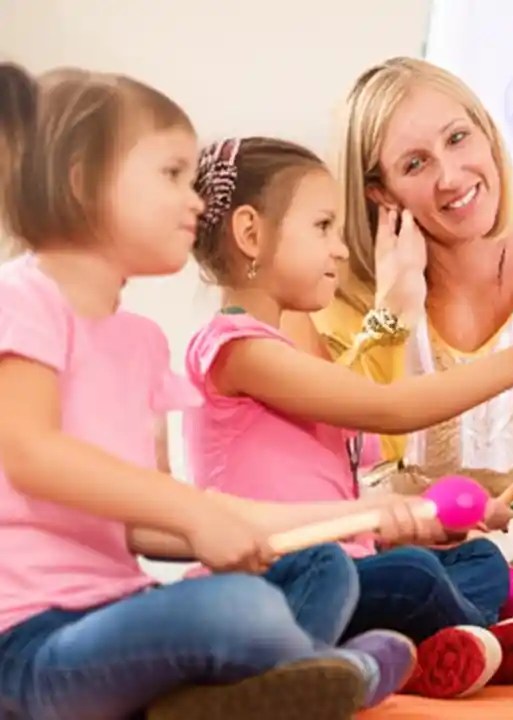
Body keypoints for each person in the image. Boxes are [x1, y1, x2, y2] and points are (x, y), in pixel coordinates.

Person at [0, 63, 422, 720]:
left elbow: (149, 525)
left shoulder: (140, 342)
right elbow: (30, 452)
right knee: (237, 607)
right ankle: (328, 672)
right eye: (170, 174)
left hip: (120, 611)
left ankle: (263, 687)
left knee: (322, 567)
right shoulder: (21, 297)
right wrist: (197, 516)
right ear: (83, 183)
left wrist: (367, 518)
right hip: (31, 645)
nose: (195, 200)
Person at [184, 136, 513, 697]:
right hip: (280, 581)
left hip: (349, 570)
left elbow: (367, 437)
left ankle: (452, 642)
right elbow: (390, 409)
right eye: (322, 227)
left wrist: (430, 516)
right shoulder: (236, 350)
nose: (340, 251)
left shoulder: (292, 354)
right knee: (416, 576)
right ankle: (467, 636)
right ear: (252, 233)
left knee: (477, 559)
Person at [289, 56, 513, 680]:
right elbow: (350, 447)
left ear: (486, 132)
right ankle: (431, 639)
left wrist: (487, 515)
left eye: (458, 138)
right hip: (379, 529)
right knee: (413, 589)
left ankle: (437, 641)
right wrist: (394, 308)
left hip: (486, 529)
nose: (451, 176)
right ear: (380, 193)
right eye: (415, 164)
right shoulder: (343, 286)